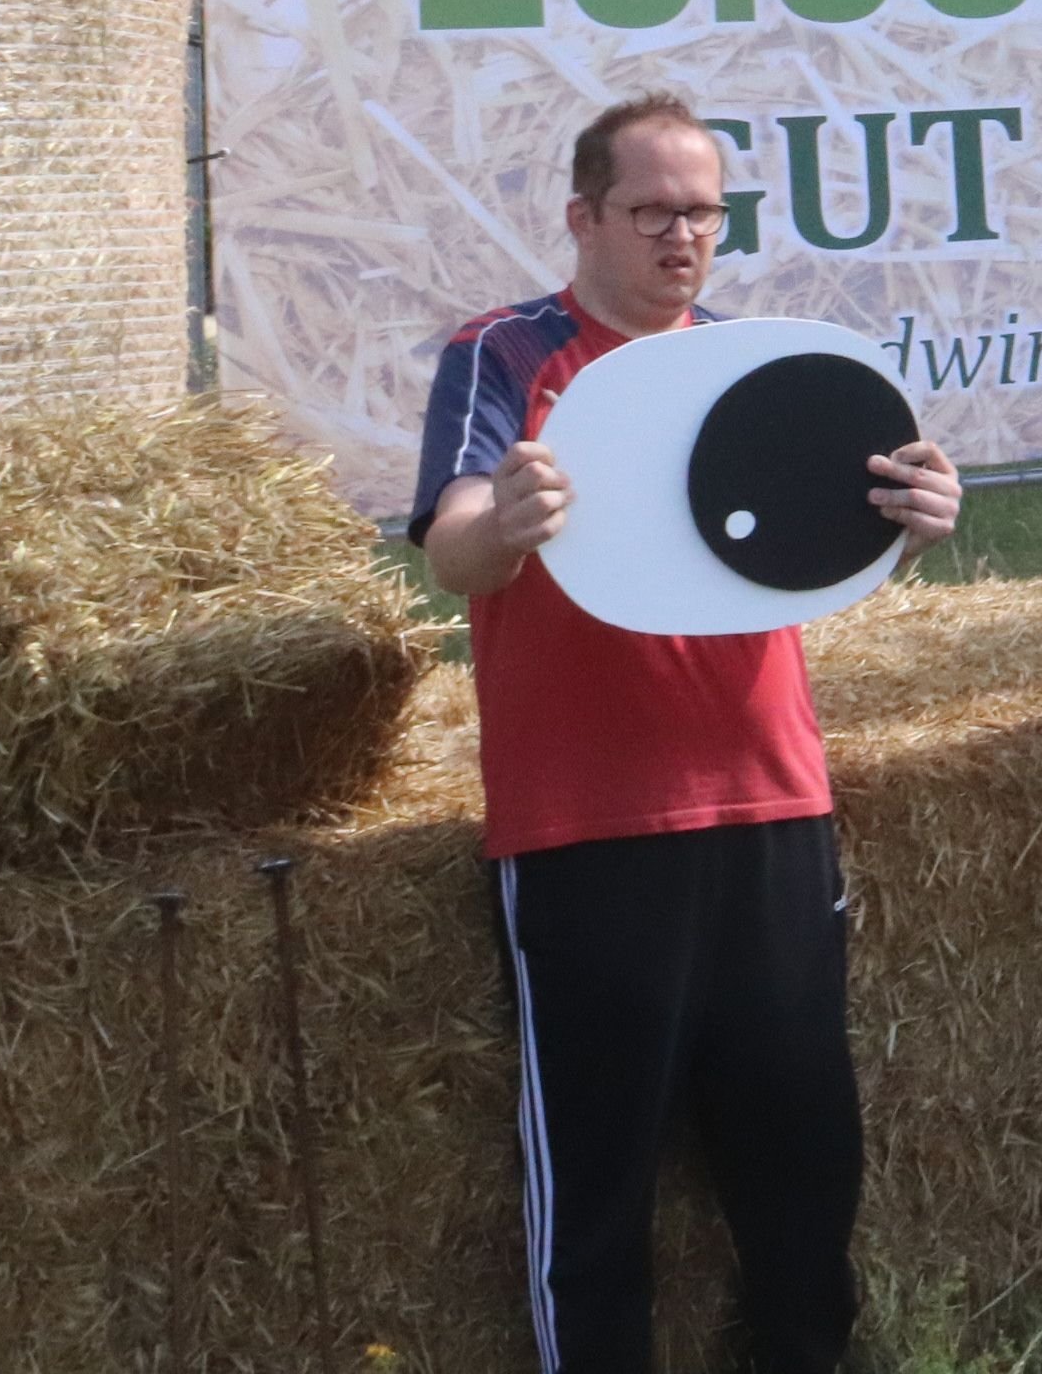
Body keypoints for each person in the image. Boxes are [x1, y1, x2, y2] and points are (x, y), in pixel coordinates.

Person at [412, 90, 963, 1374]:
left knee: (806, 1170)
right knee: (598, 1194)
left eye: (703, 212)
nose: (682, 237)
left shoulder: (754, 365)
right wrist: (505, 521)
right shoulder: (504, 353)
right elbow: (451, 553)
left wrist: (922, 507)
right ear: (583, 215)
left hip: (774, 809)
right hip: (587, 825)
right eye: (652, 210)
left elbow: (849, 531)